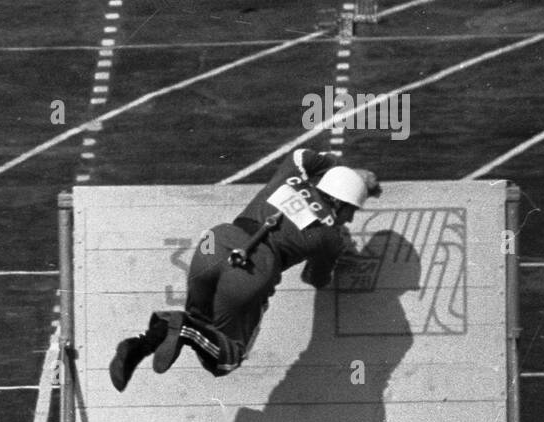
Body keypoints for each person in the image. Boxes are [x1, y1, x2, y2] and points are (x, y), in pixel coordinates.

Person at [109, 150, 382, 391]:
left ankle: (141, 344)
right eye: (353, 210)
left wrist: (345, 172)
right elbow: (315, 279)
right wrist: (339, 258)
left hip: (217, 242)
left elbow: (305, 154)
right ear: (340, 203)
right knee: (227, 357)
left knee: (200, 324)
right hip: (253, 268)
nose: (351, 218)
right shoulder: (331, 237)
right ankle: (181, 330)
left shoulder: (293, 173)